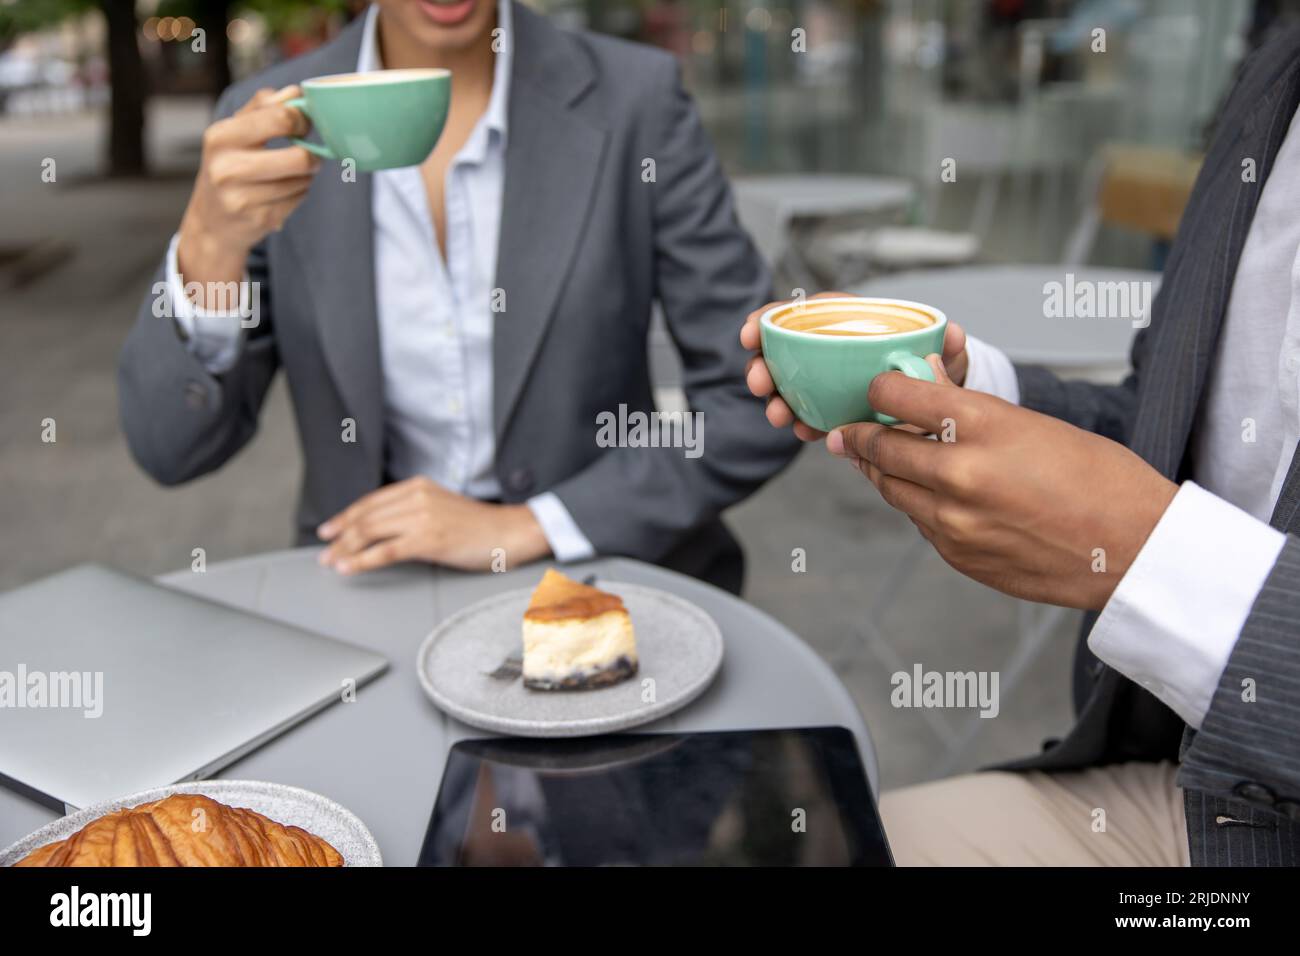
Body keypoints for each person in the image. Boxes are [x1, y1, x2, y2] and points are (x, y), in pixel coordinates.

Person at [742, 21, 1300, 865]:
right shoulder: (1276, 79)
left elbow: (1152, 514)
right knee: (823, 845)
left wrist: (1150, 554)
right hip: (1180, 793)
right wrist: (976, 401)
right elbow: (1165, 427)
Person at [119, 0, 798, 594]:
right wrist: (208, 246)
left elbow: (755, 397)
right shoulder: (267, 119)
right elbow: (171, 448)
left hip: (610, 578)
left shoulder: (636, 99)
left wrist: (532, 524)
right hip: (366, 596)